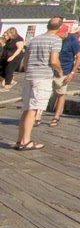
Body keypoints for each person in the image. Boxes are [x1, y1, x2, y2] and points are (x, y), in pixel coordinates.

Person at [14, 17, 63, 150]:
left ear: (48, 25)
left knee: (26, 109)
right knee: (34, 109)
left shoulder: (35, 39)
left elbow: (26, 59)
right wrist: (59, 71)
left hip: (30, 75)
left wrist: (28, 71)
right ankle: (26, 141)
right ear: (60, 27)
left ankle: (20, 140)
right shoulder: (56, 40)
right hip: (42, 78)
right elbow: (53, 61)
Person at [49, 22, 80, 126]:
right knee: (45, 93)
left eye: (60, 35)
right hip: (50, 70)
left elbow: (79, 57)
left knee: (61, 94)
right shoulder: (54, 39)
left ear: (65, 31)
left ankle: (56, 116)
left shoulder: (73, 41)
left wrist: (72, 72)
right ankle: (37, 116)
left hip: (65, 70)